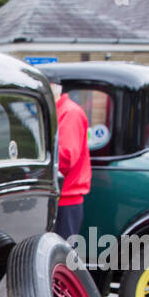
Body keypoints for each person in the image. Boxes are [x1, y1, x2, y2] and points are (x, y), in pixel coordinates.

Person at [51, 82, 91, 240]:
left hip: (65, 198)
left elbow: (65, 158)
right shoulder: (57, 111)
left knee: (62, 254)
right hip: (59, 196)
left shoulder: (70, 112)